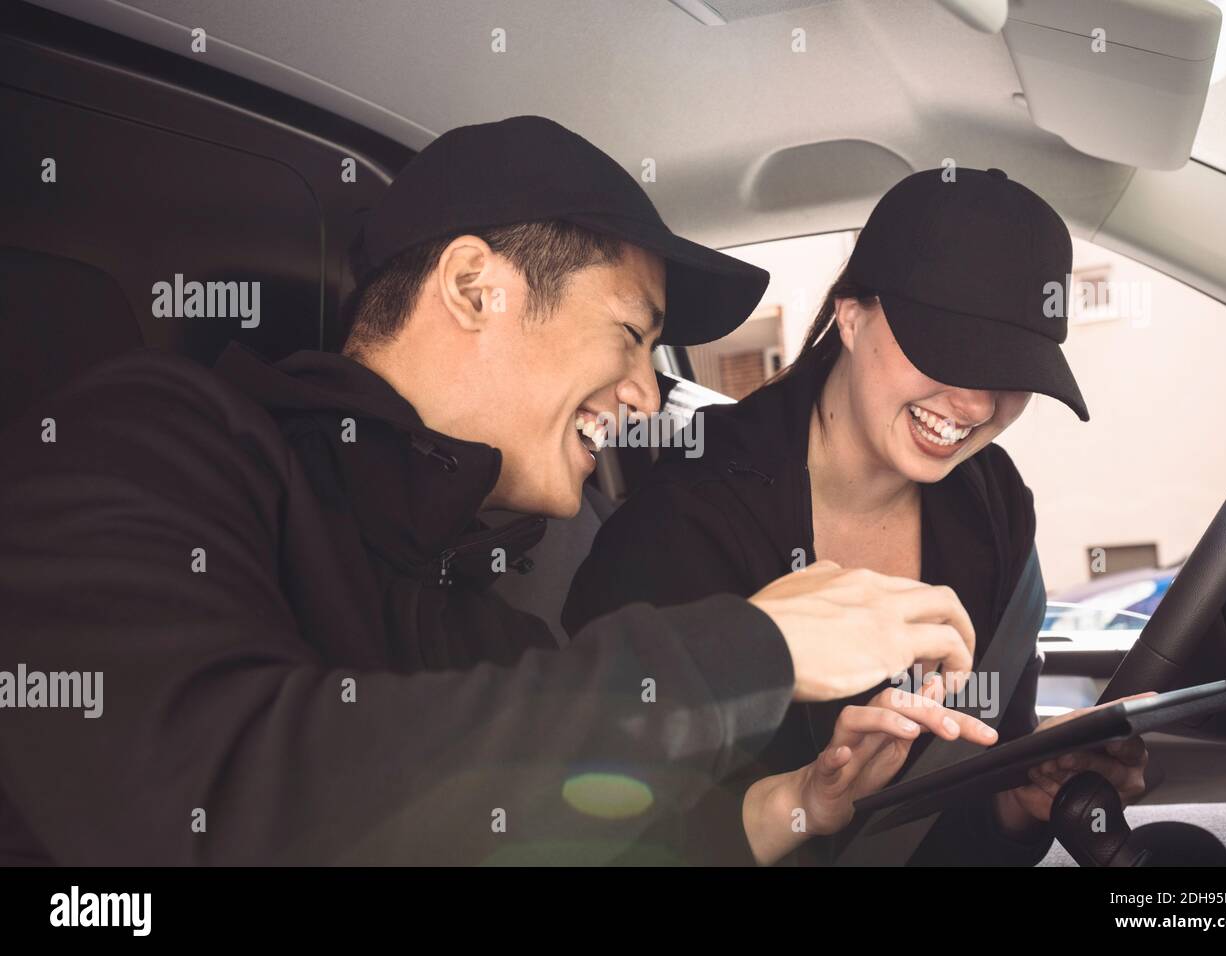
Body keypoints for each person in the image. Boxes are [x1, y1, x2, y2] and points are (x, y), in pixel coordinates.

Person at [0, 117, 983, 866]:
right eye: (631, 333)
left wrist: (798, 803)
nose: (645, 393)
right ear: (475, 288)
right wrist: (752, 646)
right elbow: (202, 797)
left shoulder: (474, 617)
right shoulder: (157, 439)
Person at [564, 167, 1149, 865]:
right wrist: (802, 801)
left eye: (1012, 373)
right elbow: (597, 836)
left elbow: (966, 817)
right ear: (850, 314)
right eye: (950, 353)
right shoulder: (682, 522)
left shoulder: (995, 504)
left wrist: (1018, 804)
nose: (975, 406)